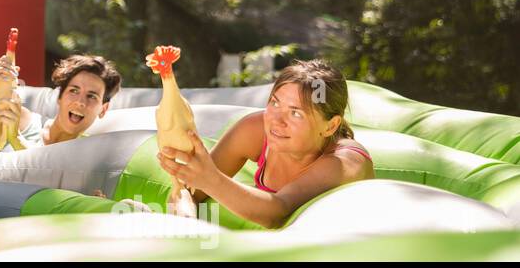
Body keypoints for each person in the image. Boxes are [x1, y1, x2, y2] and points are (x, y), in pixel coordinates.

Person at [156, 59, 374, 228]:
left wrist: (211, 180)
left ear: (330, 126)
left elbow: (278, 213)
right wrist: (184, 212)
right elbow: (191, 189)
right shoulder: (255, 130)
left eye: (296, 113)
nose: (276, 120)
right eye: (275, 103)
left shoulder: (343, 162)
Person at [0, 54, 121, 151]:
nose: (80, 102)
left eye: (91, 96)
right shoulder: (20, 119)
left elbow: (47, 174)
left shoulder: (88, 153)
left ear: (103, 109)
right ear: (60, 97)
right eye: (74, 91)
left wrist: (16, 139)